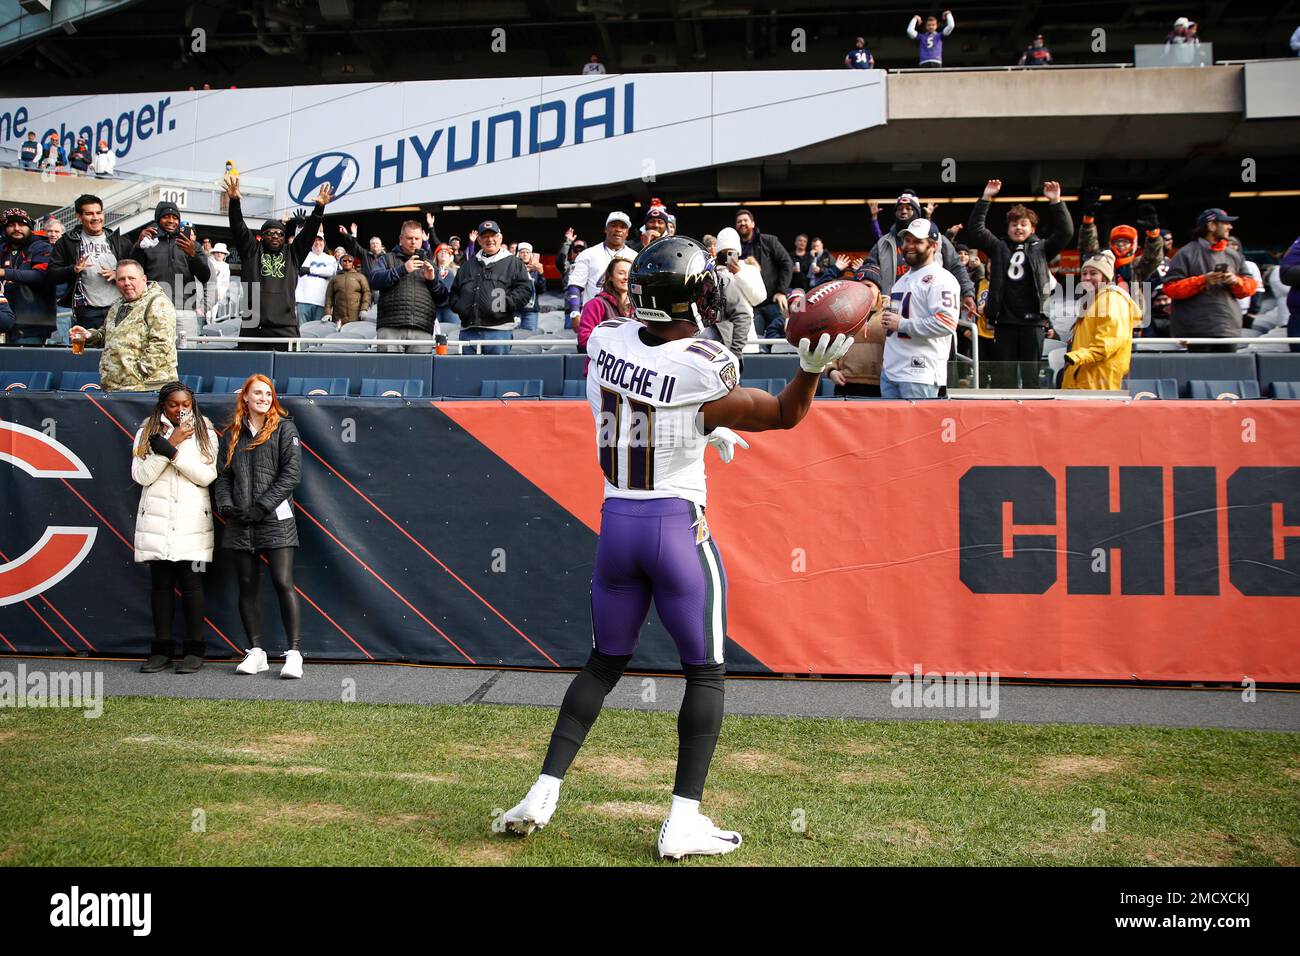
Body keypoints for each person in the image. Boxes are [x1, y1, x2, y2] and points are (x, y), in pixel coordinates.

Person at [500, 235, 851, 859]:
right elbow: (782, 415)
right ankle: (682, 820)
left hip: (616, 524)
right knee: (706, 673)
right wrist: (810, 371)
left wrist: (696, 430)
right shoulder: (706, 362)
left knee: (603, 663)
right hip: (675, 527)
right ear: (692, 299)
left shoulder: (605, 339)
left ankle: (542, 792)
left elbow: (649, 399)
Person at [214, 375, 305, 680]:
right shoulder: (232, 434)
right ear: (246, 398)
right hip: (241, 521)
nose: (264, 398)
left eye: (268, 393)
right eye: (258, 393)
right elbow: (224, 477)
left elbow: (291, 475)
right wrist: (226, 505)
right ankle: (256, 652)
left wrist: (262, 506)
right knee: (247, 586)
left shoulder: (284, 428)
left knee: (282, 582)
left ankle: (293, 654)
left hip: (275, 518)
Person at [132, 382, 220, 675]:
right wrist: (163, 447)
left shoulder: (205, 431)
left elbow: (207, 475)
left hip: (192, 521)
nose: (181, 410)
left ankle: (194, 651)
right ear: (162, 406)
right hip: (156, 520)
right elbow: (142, 476)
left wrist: (173, 450)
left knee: (192, 586)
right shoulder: (147, 431)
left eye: (185, 404)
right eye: (174, 405)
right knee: (161, 587)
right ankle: (162, 651)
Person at [965, 179, 1073, 388]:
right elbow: (976, 229)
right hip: (1004, 321)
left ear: (1032, 228)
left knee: (1031, 377)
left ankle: (1032, 418)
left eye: (1023, 224)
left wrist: (1057, 202)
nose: (1018, 228)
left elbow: (1065, 232)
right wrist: (986, 197)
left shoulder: (1042, 249)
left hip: (1033, 323)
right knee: (1004, 378)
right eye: (1014, 224)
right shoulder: (999, 247)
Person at [224, 170, 332, 349]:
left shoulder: (293, 253)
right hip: (253, 325)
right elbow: (238, 228)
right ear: (261, 236)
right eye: (270, 233)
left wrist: (319, 209)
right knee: (251, 376)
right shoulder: (251, 251)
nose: (275, 236)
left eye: (280, 233)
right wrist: (234, 202)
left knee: (288, 372)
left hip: (285, 326)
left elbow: (308, 233)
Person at [880, 219, 960, 399]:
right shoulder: (902, 280)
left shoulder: (942, 278)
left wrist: (902, 324)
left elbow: (946, 324)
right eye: (907, 240)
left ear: (933, 245)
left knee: (918, 427)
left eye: (917, 241)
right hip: (892, 371)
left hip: (920, 373)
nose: (909, 246)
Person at [69, 260, 177, 391]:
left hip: (147, 388)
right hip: (116, 388)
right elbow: (106, 334)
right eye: (121, 279)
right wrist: (89, 335)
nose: (126, 283)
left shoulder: (158, 302)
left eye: (131, 278)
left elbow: (162, 344)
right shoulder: (117, 304)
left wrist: (137, 372)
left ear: (144, 279)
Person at [1162, 208, 1258, 351]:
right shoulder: (1185, 253)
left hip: (1228, 328)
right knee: (1199, 373)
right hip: (1195, 330)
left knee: (1229, 372)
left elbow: (1250, 287)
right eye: (1225, 223)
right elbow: (1170, 288)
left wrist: (1235, 281)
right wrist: (1203, 281)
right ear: (1211, 226)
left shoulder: (1234, 255)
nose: (1230, 227)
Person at [48, 194, 133, 332]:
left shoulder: (120, 241)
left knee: (117, 351)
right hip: (87, 311)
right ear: (79, 216)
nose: (95, 218)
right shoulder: (66, 242)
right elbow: (51, 274)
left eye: (99, 213)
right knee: (88, 352)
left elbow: (137, 271)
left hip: (119, 308)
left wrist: (118, 274)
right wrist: (73, 269)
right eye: (89, 214)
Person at [451, 220, 533, 355]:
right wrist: (460, 306)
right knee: (467, 375)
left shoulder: (513, 262)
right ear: (478, 240)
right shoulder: (468, 264)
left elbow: (525, 290)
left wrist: (503, 304)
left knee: (496, 375)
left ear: (500, 238)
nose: (490, 240)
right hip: (468, 332)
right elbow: (454, 292)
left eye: (493, 236)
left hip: (498, 333)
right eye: (485, 236)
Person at [1061, 251, 1139, 391]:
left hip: (1097, 382)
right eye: (1084, 273)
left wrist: (1077, 357)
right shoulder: (1095, 300)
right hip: (1085, 378)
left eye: (1093, 273)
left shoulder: (1111, 300)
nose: (1087, 278)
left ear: (1105, 277)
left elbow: (1108, 342)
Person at [372, 219, 450, 352]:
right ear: (401, 239)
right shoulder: (386, 258)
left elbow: (443, 299)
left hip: (422, 328)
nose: (413, 242)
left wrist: (432, 281)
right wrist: (402, 270)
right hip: (391, 327)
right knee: (388, 371)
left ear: (422, 240)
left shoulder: (431, 264)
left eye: (417, 238)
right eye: (409, 238)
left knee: (419, 372)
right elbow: (374, 280)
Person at [130, 200, 210, 308]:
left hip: (184, 309)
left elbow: (205, 277)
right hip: (153, 308)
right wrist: (138, 247)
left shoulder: (192, 245)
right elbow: (133, 273)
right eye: (166, 217)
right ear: (158, 219)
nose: (171, 221)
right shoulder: (147, 242)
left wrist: (193, 255)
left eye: (175, 218)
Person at [733, 208, 792, 346]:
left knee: (779, 342)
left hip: (773, 302)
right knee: (754, 344)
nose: (742, 223)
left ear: (753, 223)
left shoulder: (769, 241)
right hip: (751, 306)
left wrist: (781, 291)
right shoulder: (735, 248)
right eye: (739, 221)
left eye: (745, 220)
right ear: (736, 226)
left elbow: (787, 263)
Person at [565, 212, 636, 326]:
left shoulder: (635, 257)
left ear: (627, 233)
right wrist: (575, 313)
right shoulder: (587, 254)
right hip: (594, 317)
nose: (618, 230)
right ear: (605, 229)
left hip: (626, 319)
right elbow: (575, 286)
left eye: (622, 227)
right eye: (613, 225)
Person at [827, 263, 887, 396]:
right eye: (860, 286)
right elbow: (832, 345)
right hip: (845, 383)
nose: (864, 290)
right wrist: (831, 370)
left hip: (881, 385)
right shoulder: (842, 314)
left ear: (879, 289)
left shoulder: (891, 313)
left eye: (869, 285)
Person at [0, 207, 54, 345]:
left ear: (29, 226)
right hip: (4, 322)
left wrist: (4, 272)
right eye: (11, 225)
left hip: (32, 324)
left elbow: (41, 276)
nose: (16, 228)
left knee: (26, 365)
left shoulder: (42, 247)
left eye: (21, 224)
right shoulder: (3, 249)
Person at [576, 258, 632, 371]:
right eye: (621, 273)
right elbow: (584, 340)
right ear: (610, 277)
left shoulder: (637, 307)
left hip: (627, 372)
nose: (626, 277)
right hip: (600, 371)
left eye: (630, 273)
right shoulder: (596, 304)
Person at [294, 233, 337, 325]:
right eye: (315, 240)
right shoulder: (303, 255)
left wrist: (309, 270)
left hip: (321, 302)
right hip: (303, 300)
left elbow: (330, 271)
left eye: (320, 240)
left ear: (324, 242)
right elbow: (297, 243)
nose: (317, 243)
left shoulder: (330, 258)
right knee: (302, 331)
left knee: (317, 332)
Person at [324, 252, 371, 326]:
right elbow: (329, 296)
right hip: (338, 316)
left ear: (353, 263)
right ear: (341, 263)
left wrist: (364, 309)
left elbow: (367, 293)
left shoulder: (360, 277)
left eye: (350, 261)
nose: (347, 262)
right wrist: (327, 313)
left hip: (356, 316)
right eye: (344, 261)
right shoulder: (335, 278)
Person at [515, 241, 547, 332]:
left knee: (529, 337)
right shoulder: (513, 269)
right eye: (522, 252)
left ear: (531, 255)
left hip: (531, 311)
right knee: (513, 338)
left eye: (527, 252)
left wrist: (541, 273)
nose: (525, 254)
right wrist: (524, 273)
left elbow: (542, 290)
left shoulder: (536, 271)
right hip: (515, 310)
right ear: (518, 254)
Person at [203, 242, 232, 320]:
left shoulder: (226, 266)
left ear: (224, 255)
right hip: (205, 292)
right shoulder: (208, 262)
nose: (219, 254)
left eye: (222, 253)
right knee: (206, 315)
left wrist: (220, 293)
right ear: (214, 253)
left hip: (217, 294)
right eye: (217, 252)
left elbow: (225, 282)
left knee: (213, 315)